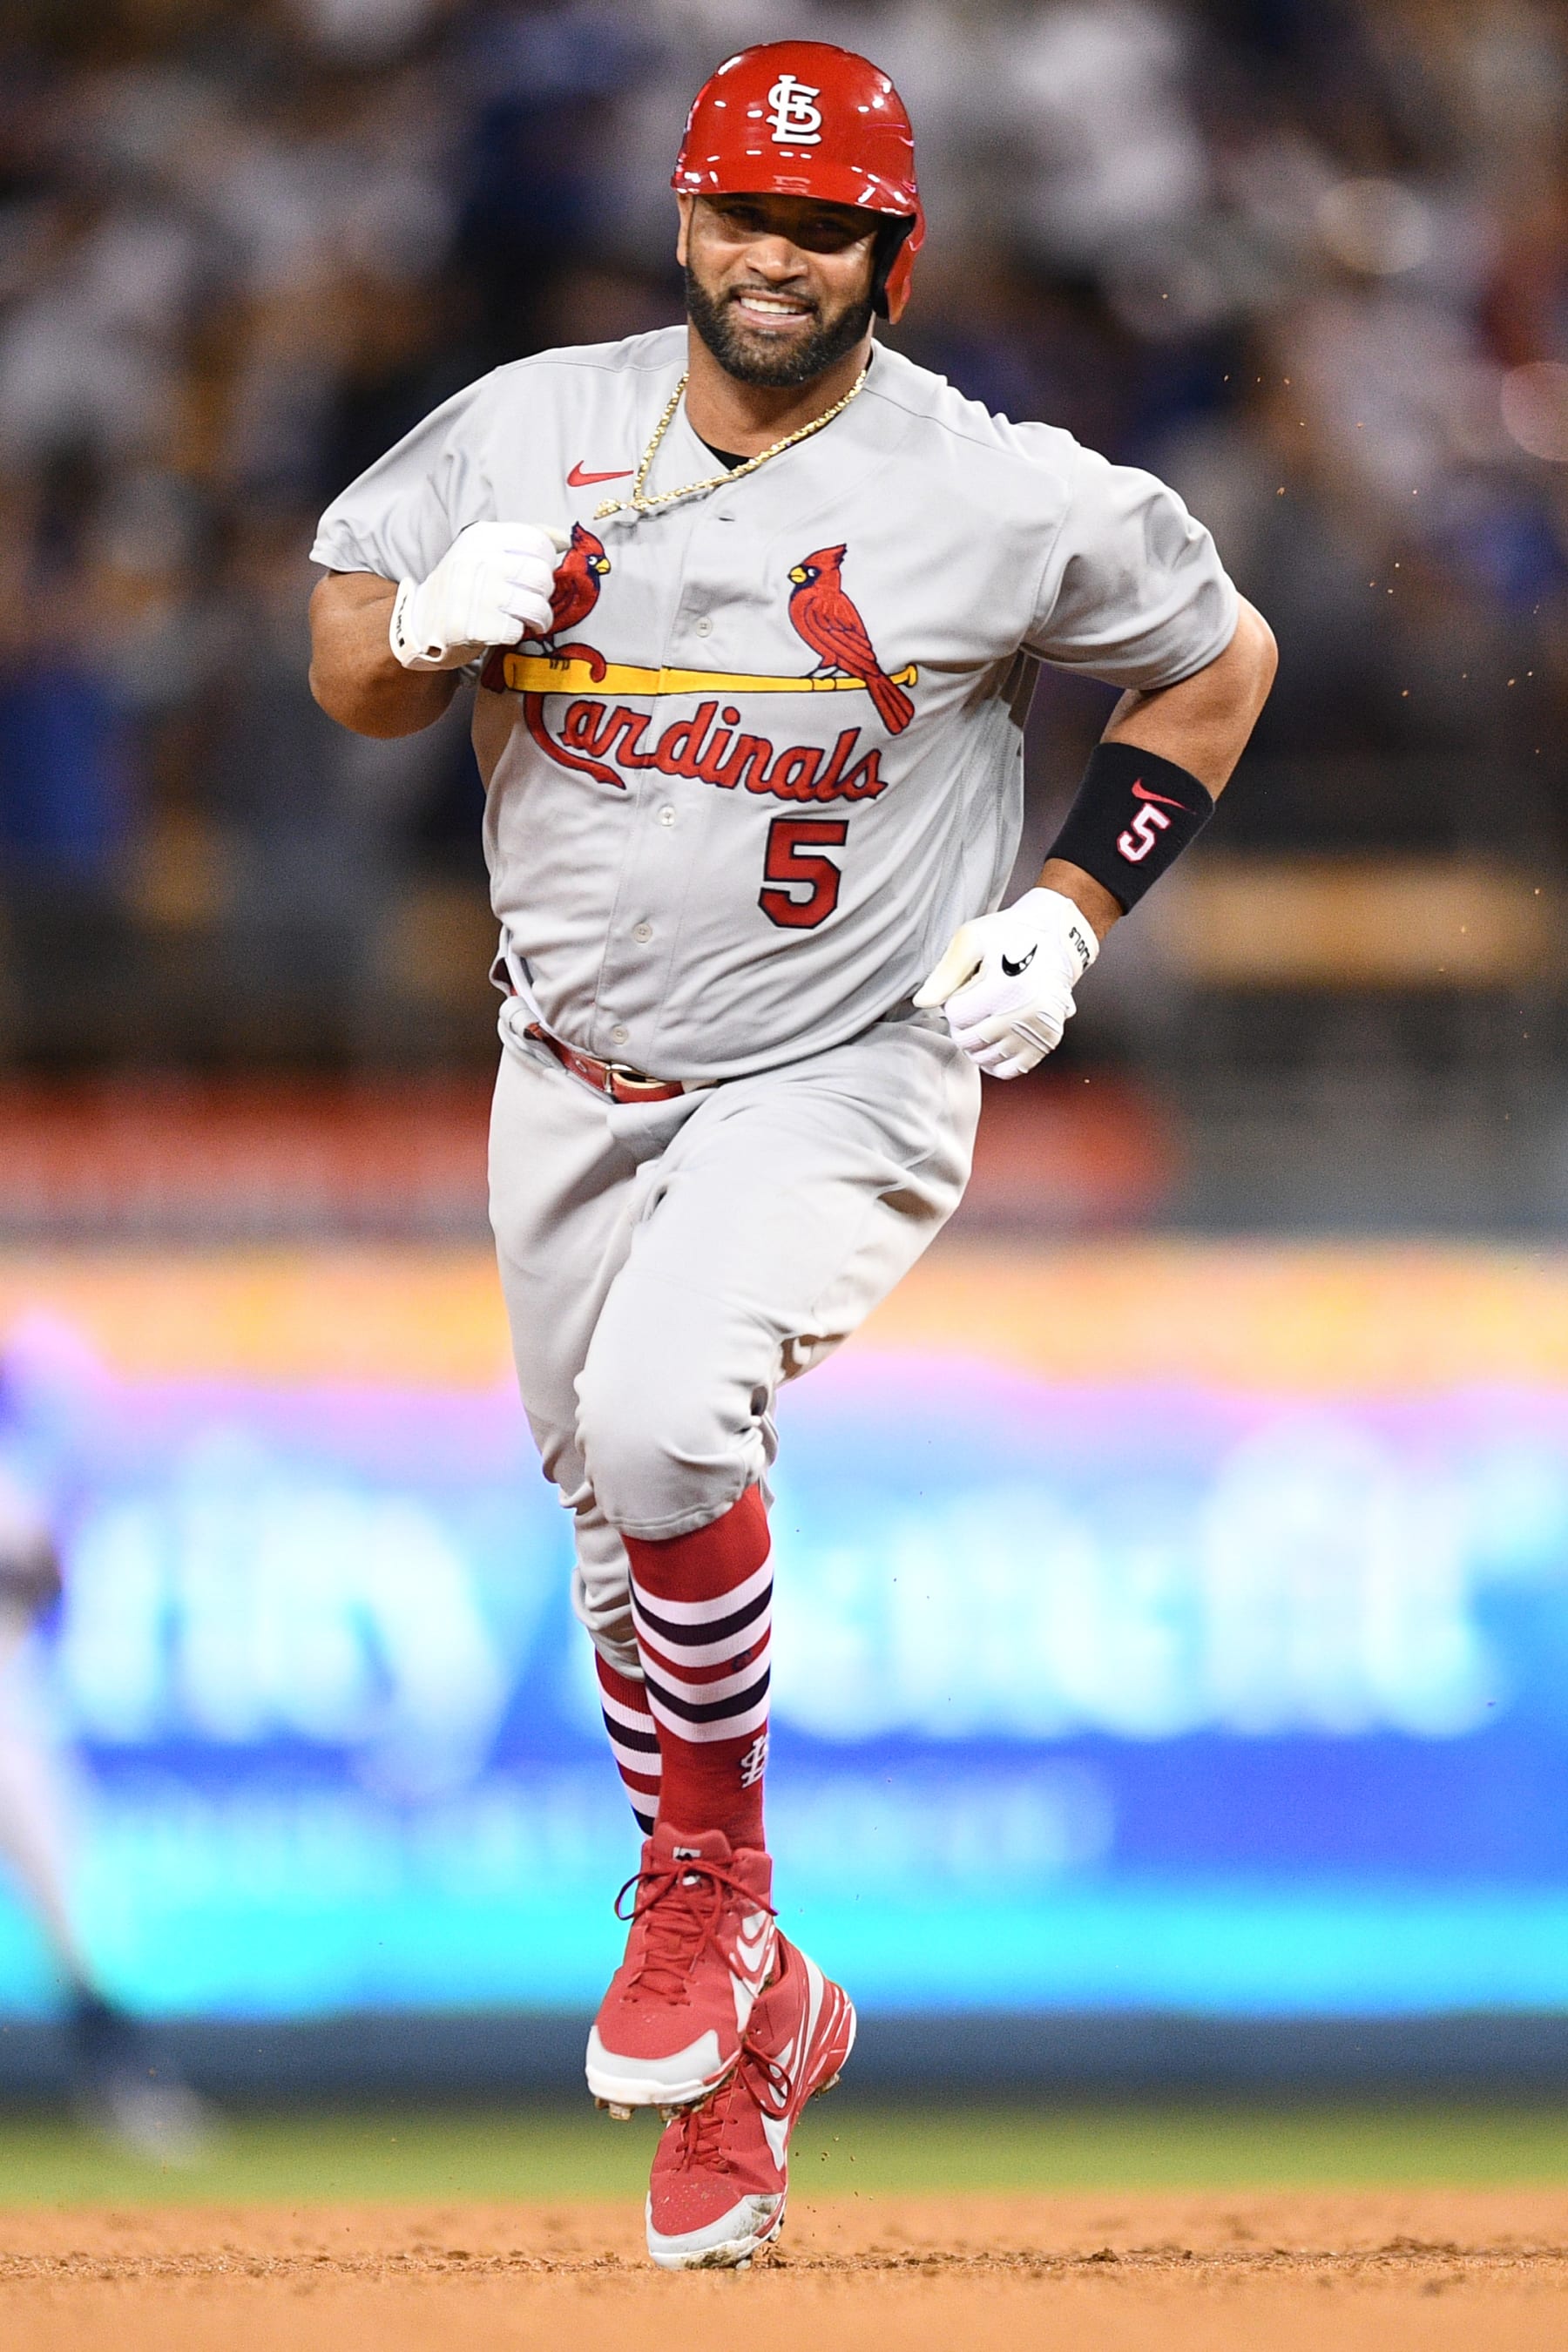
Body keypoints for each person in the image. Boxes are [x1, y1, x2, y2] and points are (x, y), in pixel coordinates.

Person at [308, 38, 1275, 2269]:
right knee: (615, 1552)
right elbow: (345, 652)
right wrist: (425, 628)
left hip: (843, 1058)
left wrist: (1072, 906)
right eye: (749, 210)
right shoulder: (523, 429)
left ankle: (711, 1890)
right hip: (567, 1068)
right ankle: (767, 2026)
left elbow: (1216, 665)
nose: (779, 255)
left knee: (667, 1427)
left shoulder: (995, 490)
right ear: (686, 217)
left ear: (891, 257)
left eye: (827, 227)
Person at [0, 1383, 214, 2159]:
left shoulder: (13, 1475)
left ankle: (129, 2090)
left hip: (11, 1719)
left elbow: (43, 1579)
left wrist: (46, 1548)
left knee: (72, 1922)